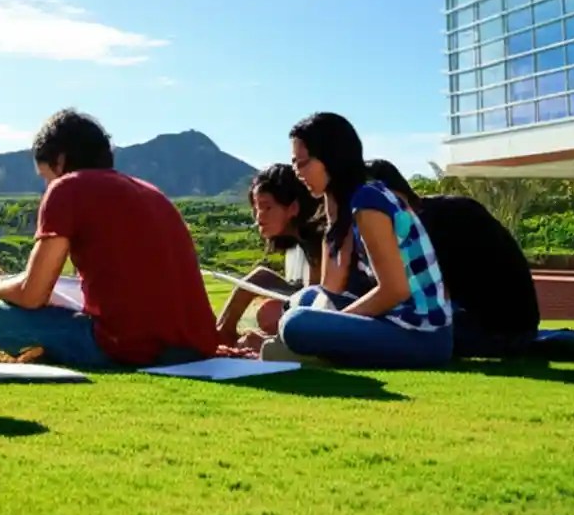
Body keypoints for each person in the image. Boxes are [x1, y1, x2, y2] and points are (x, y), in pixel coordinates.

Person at [0, 109, 219, 369]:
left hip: (129, 347)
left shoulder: (66, 188)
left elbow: (33, 295)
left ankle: (44, 352)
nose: (46, 187)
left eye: (46, 177)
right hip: (194, 348)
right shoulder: (151, 192)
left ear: (60, 162)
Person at [273, 112, 452, 368]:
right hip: (395, 320)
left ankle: (312, 352)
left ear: (330, 158)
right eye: (294, 164)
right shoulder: (352, 201)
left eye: (303, 163)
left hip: (421, 334)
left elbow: (395, 290)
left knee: (297, 323)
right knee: (307, 298)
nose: (298, 173)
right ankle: (308, 352)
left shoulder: (368, 201)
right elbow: (329, 287)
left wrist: (334, 326)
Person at [365, 159, 541, 357]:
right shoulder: (442, 211)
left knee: (381, 330)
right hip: (511, 327)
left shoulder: (428, 225)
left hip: (496, 332)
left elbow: (420, 300)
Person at [214, 164, 322, 348]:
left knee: (268, 312)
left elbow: (316, 309)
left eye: (267, 207)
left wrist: (265, 341)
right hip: (315, 305)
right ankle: (222, 333)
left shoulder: (319, 241)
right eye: (256, 209)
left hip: (339, 313)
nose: (259, 218)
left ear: (293, 207)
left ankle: (227, 337)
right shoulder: (303, 242)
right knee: (260, 277)